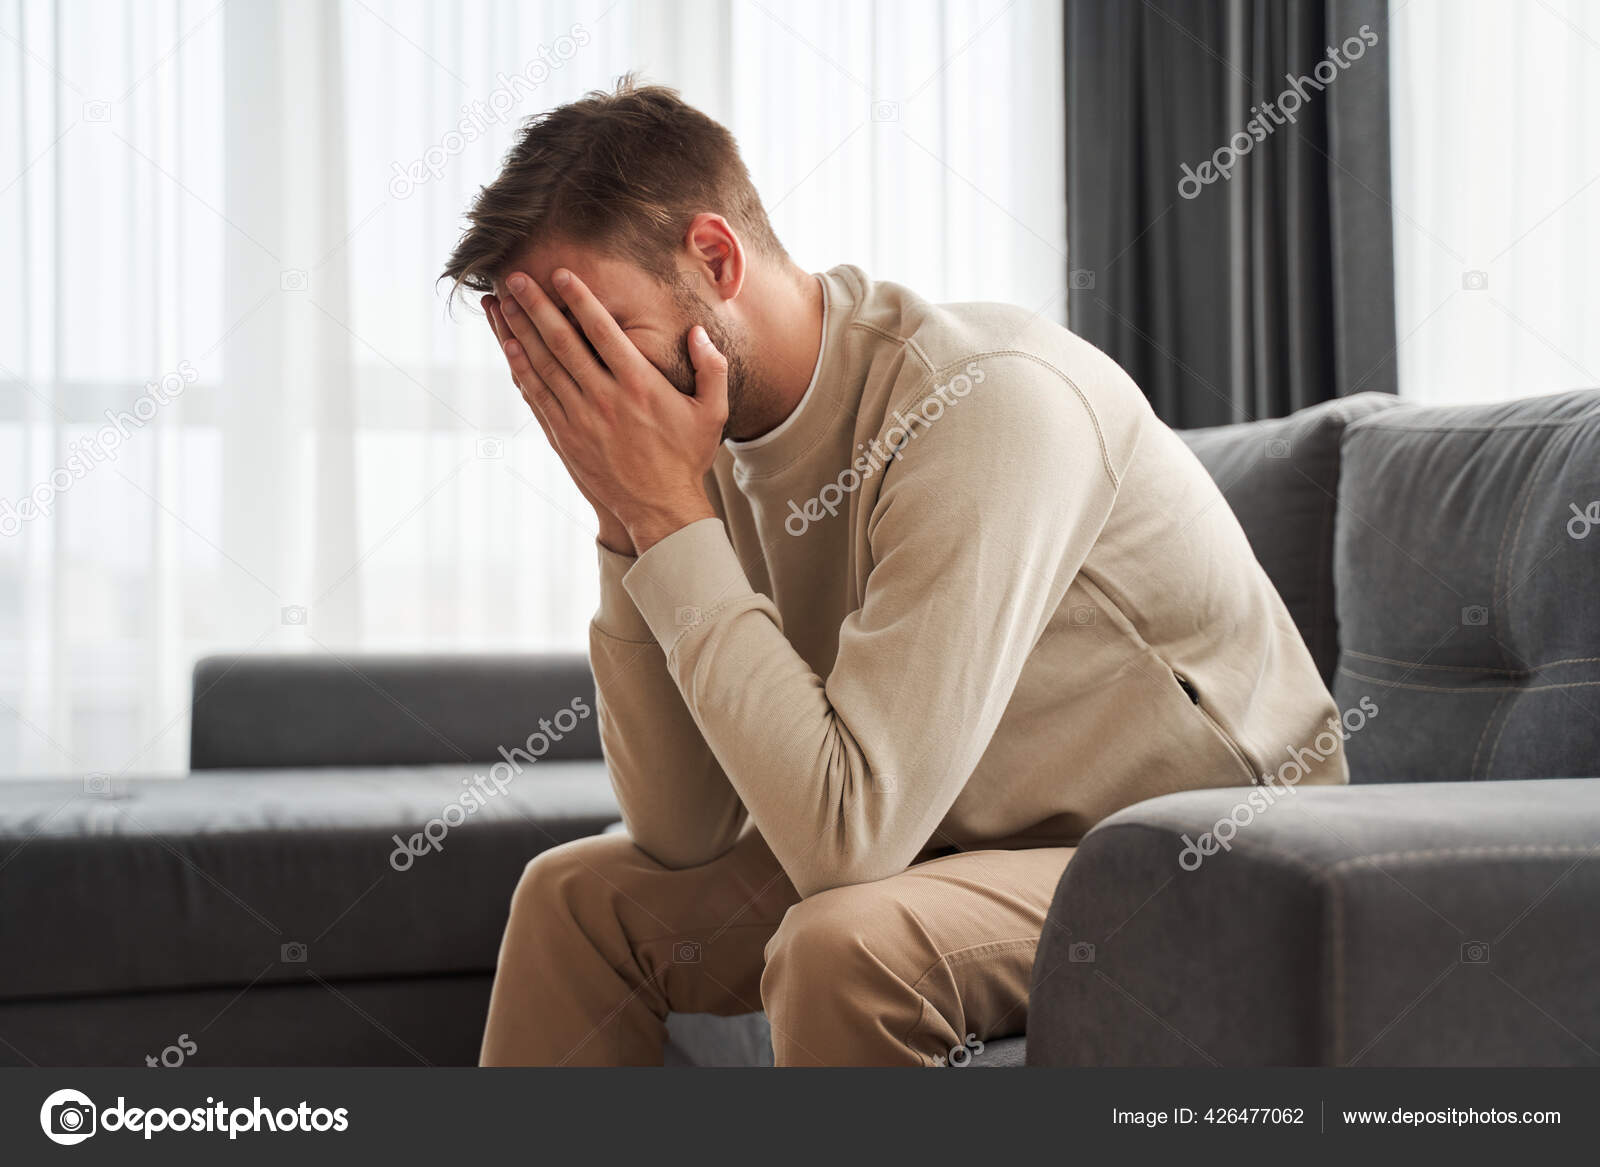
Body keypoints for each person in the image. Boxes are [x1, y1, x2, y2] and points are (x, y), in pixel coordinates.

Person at [441, 76, 1345, 1067]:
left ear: (713, 256)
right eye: (558, 354)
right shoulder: (697, 444)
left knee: (844, 947)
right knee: (576, 903)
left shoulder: (982, 404)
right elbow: (680, 829)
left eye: (603, 334)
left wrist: (662, 510)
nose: (593, 383)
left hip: (1208, 849)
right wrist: (630, 519)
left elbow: (845, 846)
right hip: (963, 843)